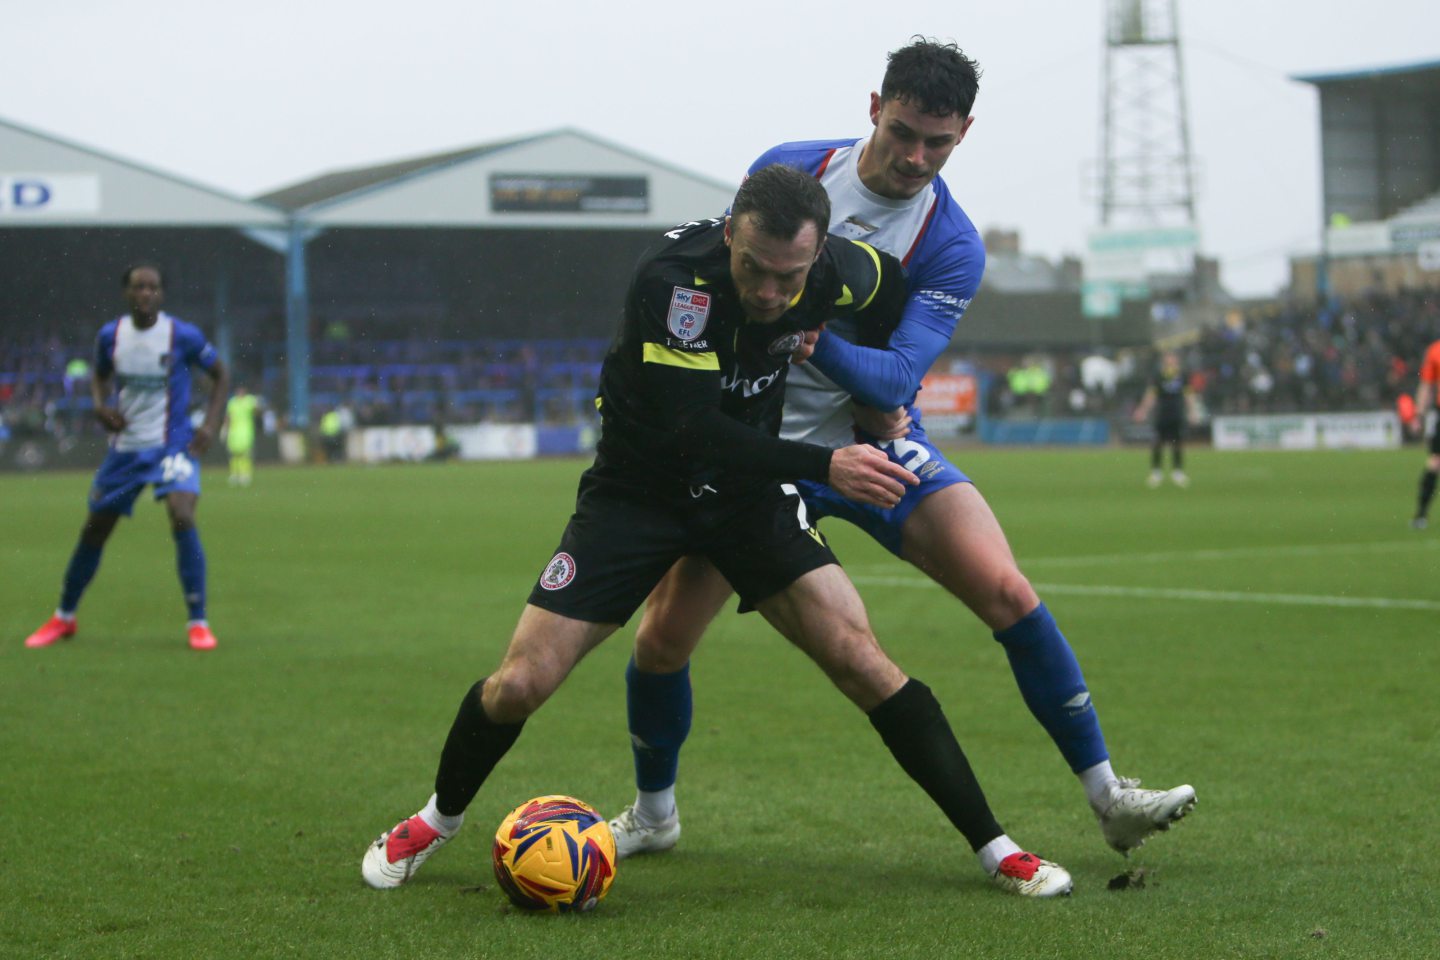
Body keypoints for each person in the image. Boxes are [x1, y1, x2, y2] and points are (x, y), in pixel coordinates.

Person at [360, 165, 1073, 898]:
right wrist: (828, 462)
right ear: (730, 232)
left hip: (745, 498)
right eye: (754, 269)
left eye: (788, 277)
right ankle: (436, 819)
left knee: (861, 659)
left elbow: (898, 315)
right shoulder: (676, 282)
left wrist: (886, 397)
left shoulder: (843, 271)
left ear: (818, 253)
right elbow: (697, 430)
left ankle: (998, 849)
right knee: (520, 683)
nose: (769, 292)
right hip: (638, 494)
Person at [610, 39, 1195, 868]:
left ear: (964, 133)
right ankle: (654, 814)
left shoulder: (951, 243)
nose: (916, 157)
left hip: (875, 442)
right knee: (662, 639)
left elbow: (896, 381)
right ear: (874, 105)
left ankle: (1109, 798)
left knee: (1005, 587)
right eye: (904, 132)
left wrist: (811, 342)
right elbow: (738, 285)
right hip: (765, 447)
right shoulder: (790, 168)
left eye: (940, 142)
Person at [23, 263, 230, 651]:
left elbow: (220, 373)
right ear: (127, 293)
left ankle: (198, 622)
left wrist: (211, 423)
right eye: (138, 288)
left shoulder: (181, 335)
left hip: (172, 444)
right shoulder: (111, 335)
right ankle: (64, 617)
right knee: (94, 528)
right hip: (127, 448)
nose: (146, 294)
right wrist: (100, 405)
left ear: (161, 294)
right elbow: (99, 376)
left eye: (153, 287)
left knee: (182, 515)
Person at [1133, 351, 1195, 488]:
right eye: (1168, 358)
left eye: (1173, 358)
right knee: (1157, 442)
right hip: (1162, 414)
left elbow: (1189, 395)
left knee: (1177, 443)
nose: (1170, 361)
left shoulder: (1182, 375)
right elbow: (1151, 396)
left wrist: (1192, 411)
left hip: (1177, 413)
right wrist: (1142, 410)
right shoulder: (1158, 376)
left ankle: (1177, 472)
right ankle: (1156, 472)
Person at [1409, 336, 1440, 530]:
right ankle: (1421, 514)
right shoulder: (1435, 351)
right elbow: (1426, 385)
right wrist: (1418, 415)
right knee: (1435, 462)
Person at [223, 384, 263, 486]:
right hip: (234, 431)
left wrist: (257, 405)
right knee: (234, 453)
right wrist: (225, 428)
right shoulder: (232, 402)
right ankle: (234, 474)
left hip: (246, 431)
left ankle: (245, 474)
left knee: (245, 453)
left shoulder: (249, 400)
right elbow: (228, 416)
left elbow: (258, 412)